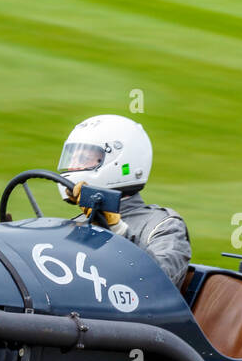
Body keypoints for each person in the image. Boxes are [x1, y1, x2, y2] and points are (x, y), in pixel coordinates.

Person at [57, 114, 191, 286]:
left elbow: (159, 283)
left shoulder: (164, 225)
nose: (73, 167)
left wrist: (118, 230)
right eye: (72, 158)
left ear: (120, 162)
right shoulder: (76, 224)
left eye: (83, 158)